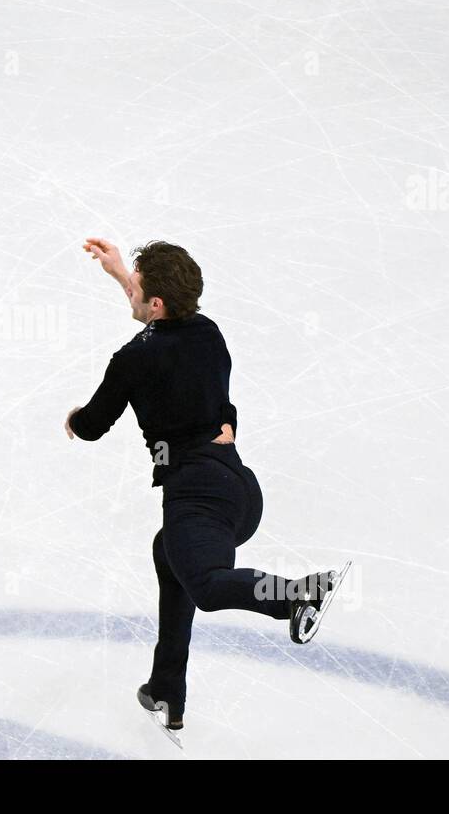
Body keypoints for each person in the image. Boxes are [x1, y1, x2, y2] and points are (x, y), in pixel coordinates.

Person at [66, 238, 347, 737]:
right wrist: (116, 273)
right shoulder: (207, 332)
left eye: (135, 290)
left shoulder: (132, 359)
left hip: (196, 498)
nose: (129, 294)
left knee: (209, 587)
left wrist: (73, 419)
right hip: (237, 489)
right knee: (168, 557)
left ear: (155, 304)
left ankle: (298, 595)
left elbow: (92, 425)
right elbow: (164, 328)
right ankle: (166, 688)